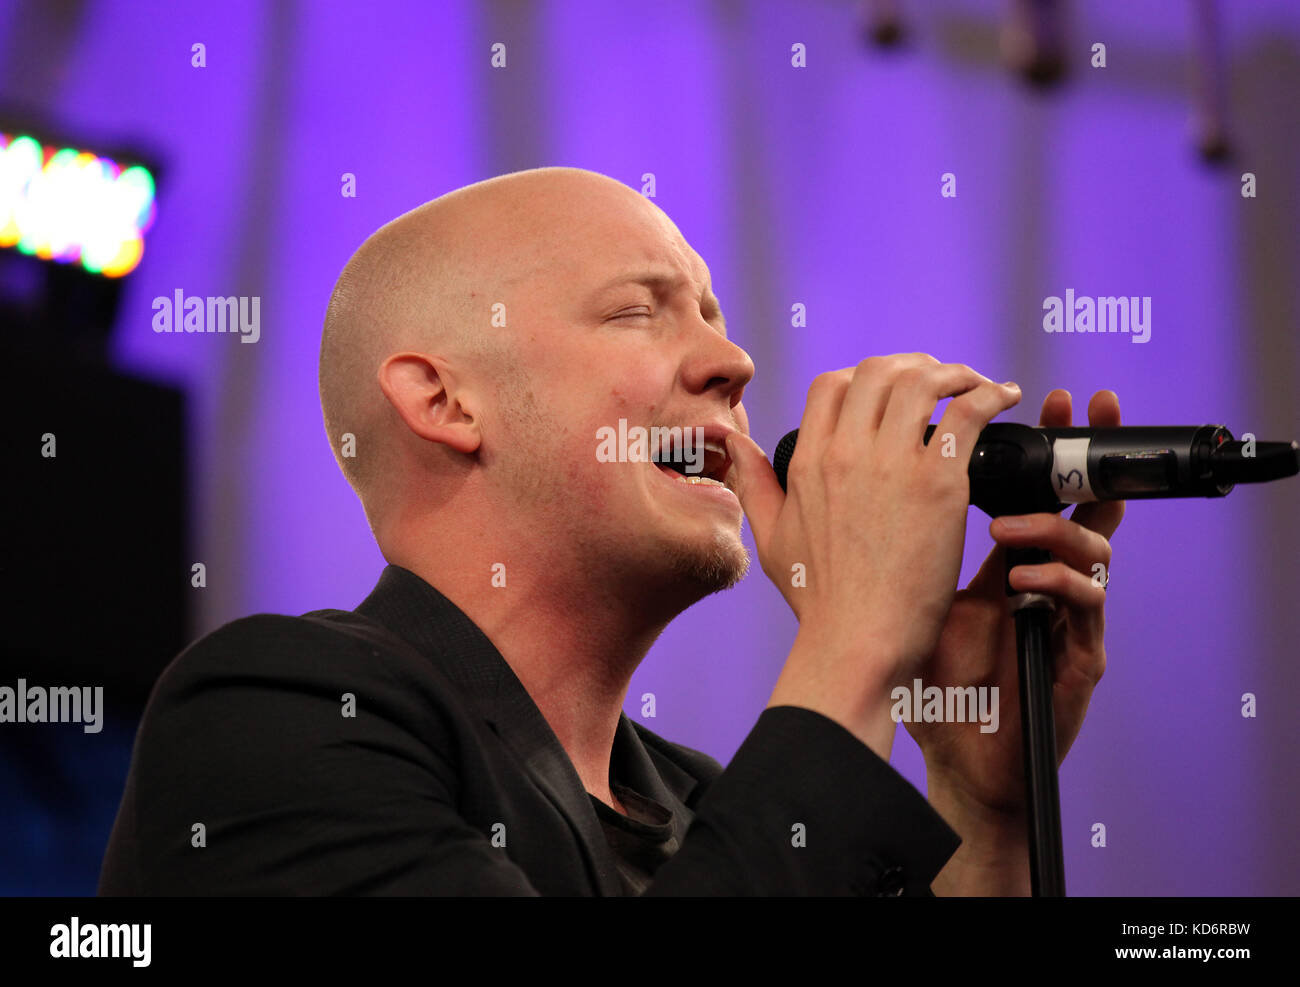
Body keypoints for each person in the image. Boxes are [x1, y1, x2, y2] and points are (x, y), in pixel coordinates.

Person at [98, 167, 1123, 896]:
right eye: (641, 311)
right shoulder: (271, 710)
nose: (733, 362)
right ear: (446, 401)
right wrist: (857, 637)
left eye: (716, 315)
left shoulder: (704, 801)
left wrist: (986, 810)